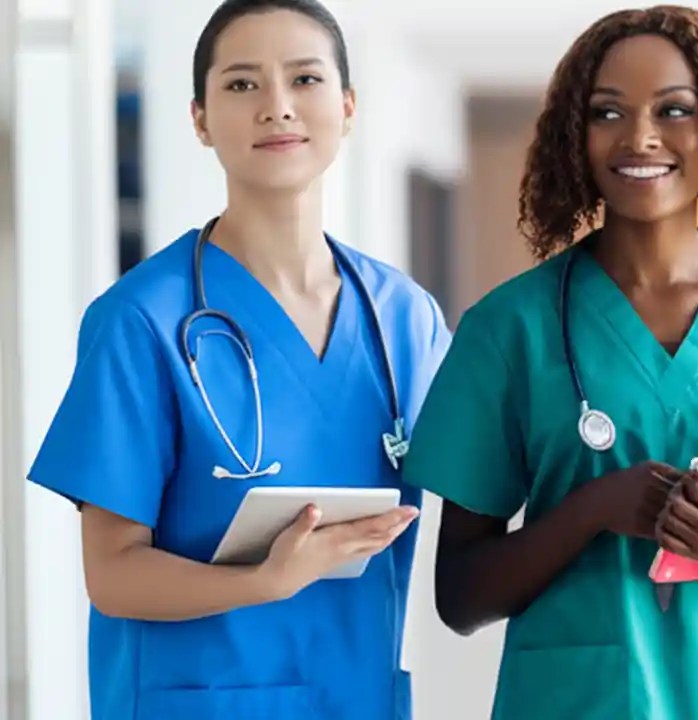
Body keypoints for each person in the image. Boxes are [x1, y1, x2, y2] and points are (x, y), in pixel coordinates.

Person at [401, 7, 698, 720]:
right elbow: (461, 597)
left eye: (675, 110)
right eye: (608, 112)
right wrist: (591, 511)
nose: (640, 137)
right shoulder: (509, 329)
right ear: (576, 132)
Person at [25, 1, 451, 717]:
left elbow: (490, 482)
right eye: (243, 85)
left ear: (347, 108)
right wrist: (269, 580)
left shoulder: (403, 316)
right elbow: (113, 576)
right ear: (200, 118)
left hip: (355, 697)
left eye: (306, 80)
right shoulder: (142, 319)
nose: (278, 108)